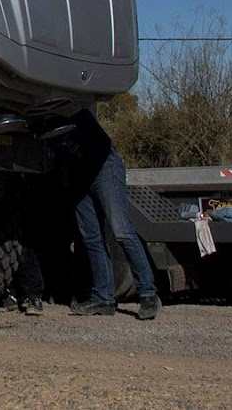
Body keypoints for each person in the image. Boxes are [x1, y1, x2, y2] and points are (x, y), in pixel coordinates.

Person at [61, 107, 160, 320]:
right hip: (78, 172)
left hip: (104, 166)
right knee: (90, 237)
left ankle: (148, 293)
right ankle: (103, 298)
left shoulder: (71, 104)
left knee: (122, 231)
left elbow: (95, 142)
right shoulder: (41, 116)